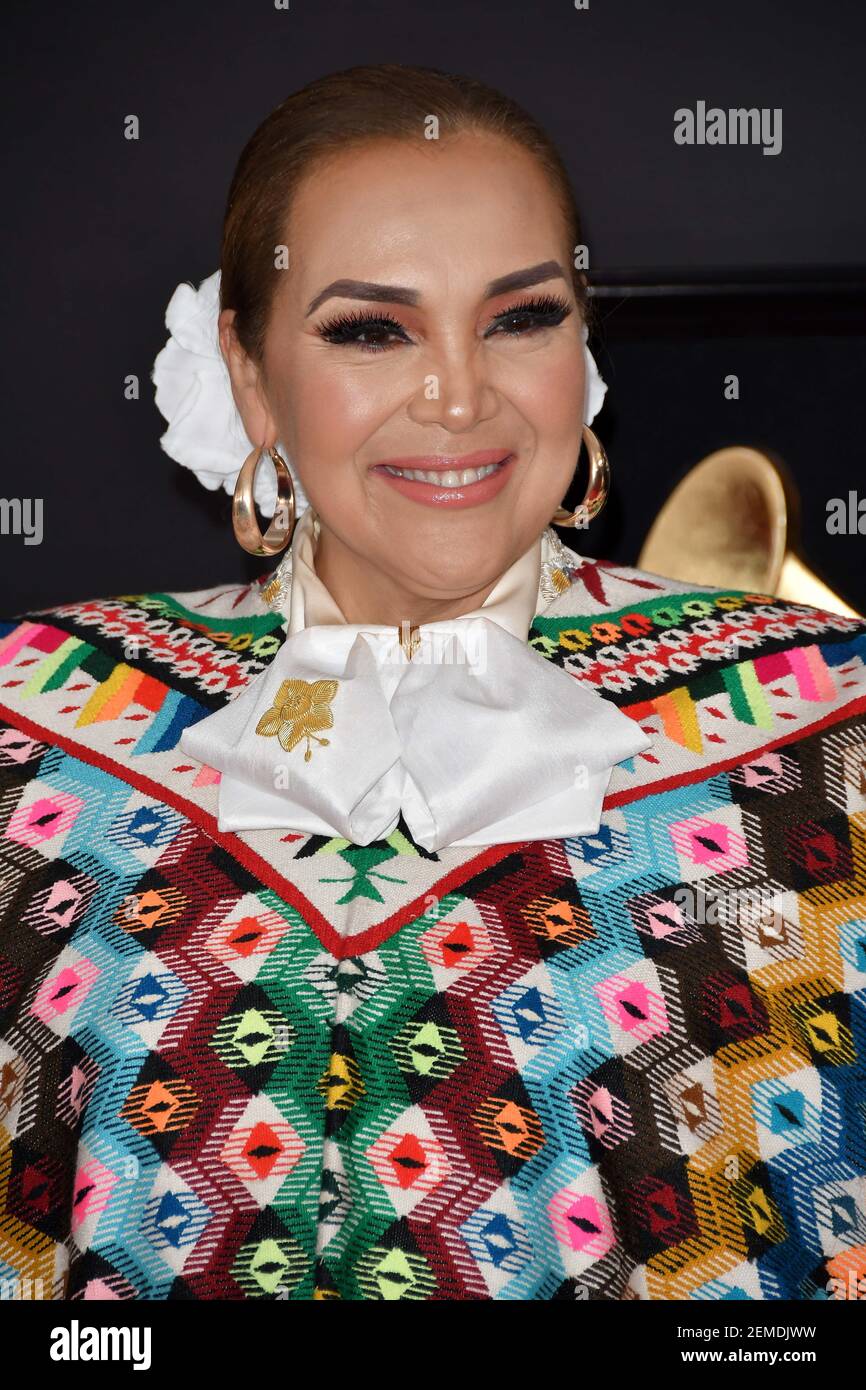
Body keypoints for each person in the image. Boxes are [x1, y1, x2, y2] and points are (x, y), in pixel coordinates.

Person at [1, 63, 864, 1303]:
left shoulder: (835, 724)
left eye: (521, 317)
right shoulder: (27, 716)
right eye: (370, 329)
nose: (459, 395)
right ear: (247, 373)